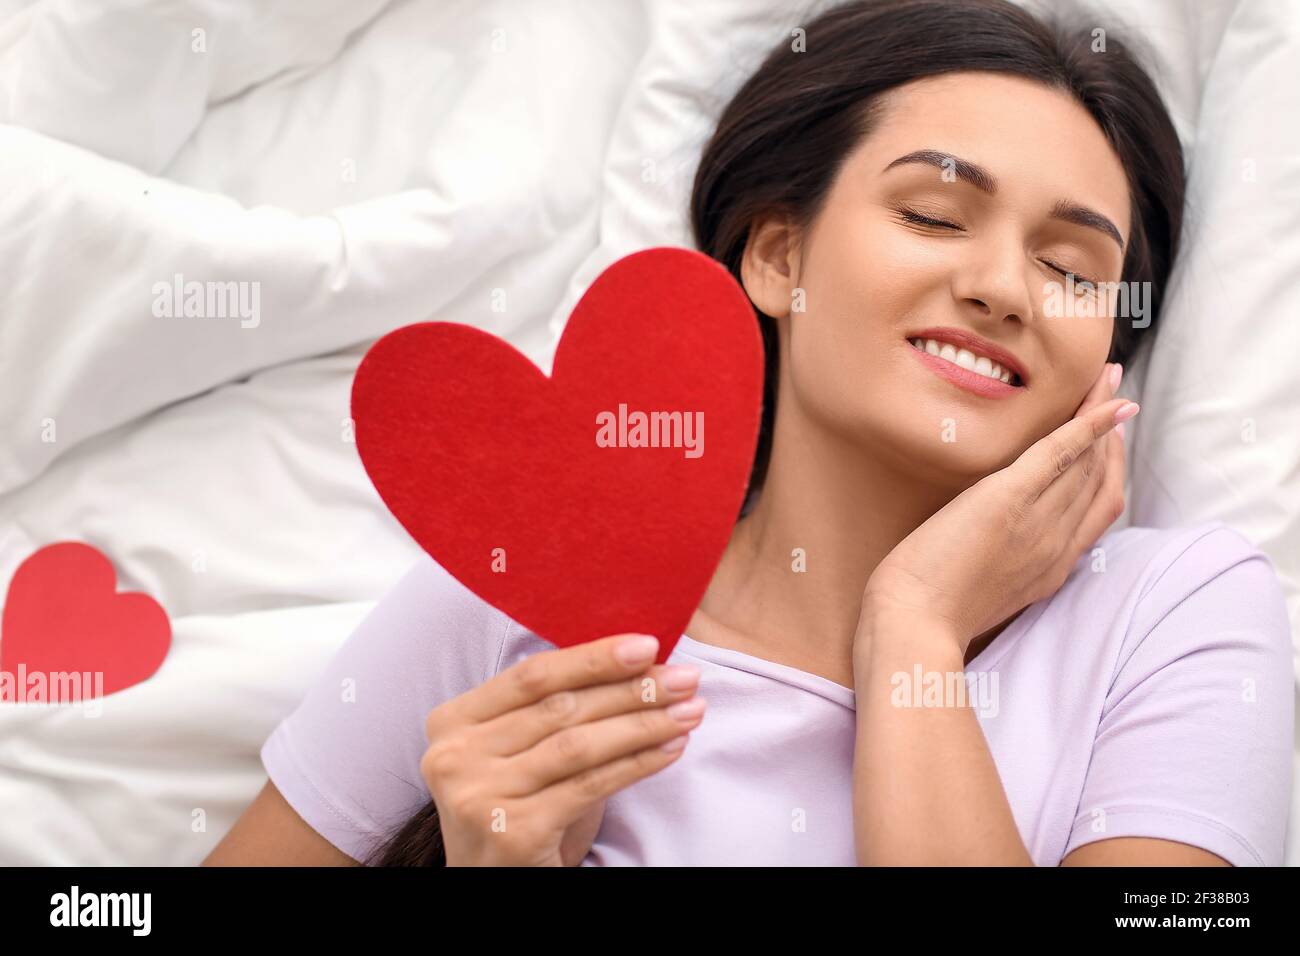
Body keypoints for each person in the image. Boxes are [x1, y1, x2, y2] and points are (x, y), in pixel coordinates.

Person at [204, 0, 1294, 867]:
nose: (1005, 285)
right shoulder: (525, 583)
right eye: (931, 214)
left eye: (1069, 267)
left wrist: (911, 628)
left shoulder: (1183, 613)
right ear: (778, 258)